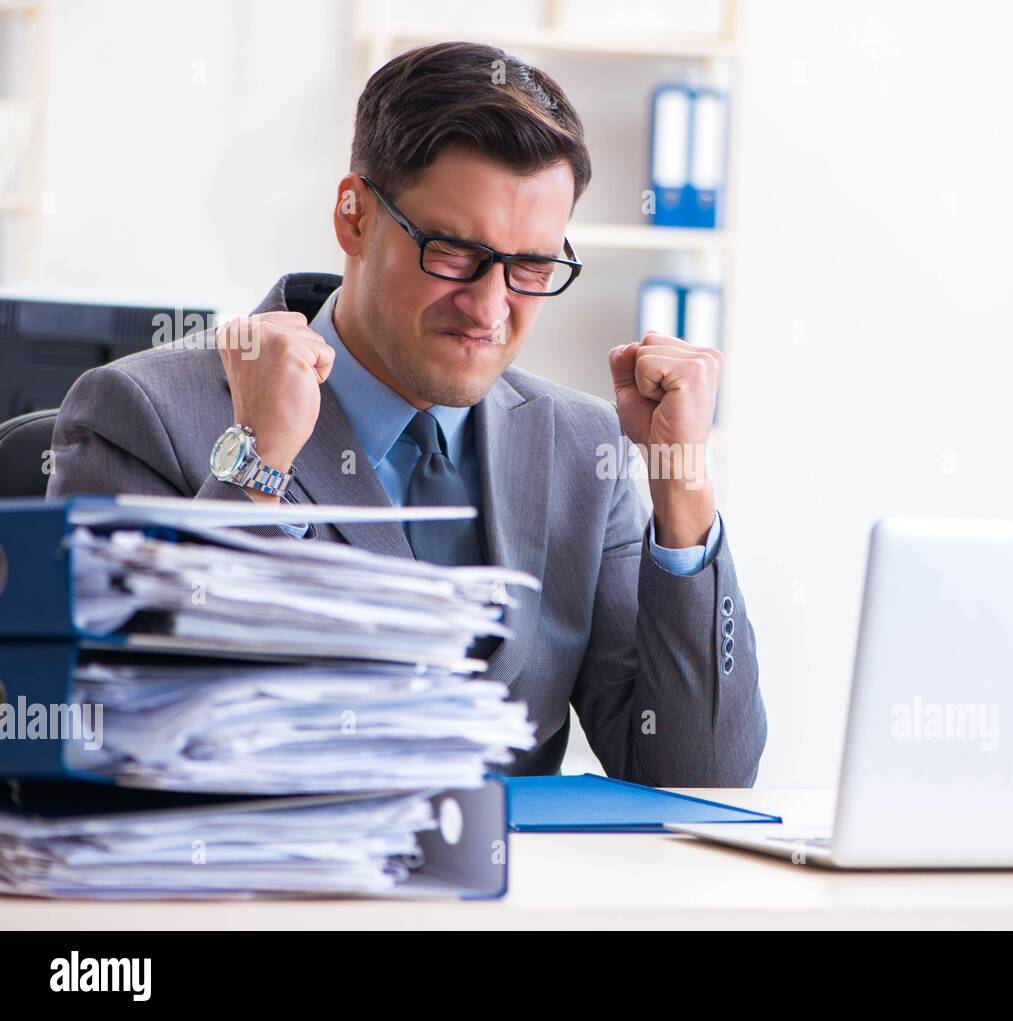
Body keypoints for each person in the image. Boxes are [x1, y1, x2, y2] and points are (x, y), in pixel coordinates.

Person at [48, 41, 765, 785]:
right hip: (264, 893)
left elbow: (700, 776)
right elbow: (103, 741)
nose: (490, 308)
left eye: (532, 267)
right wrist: (256, 461)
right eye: (454, 252)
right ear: (354, 218)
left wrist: (681, 489)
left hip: (514, 898)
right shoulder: (143, 409)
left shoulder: (581, 448)